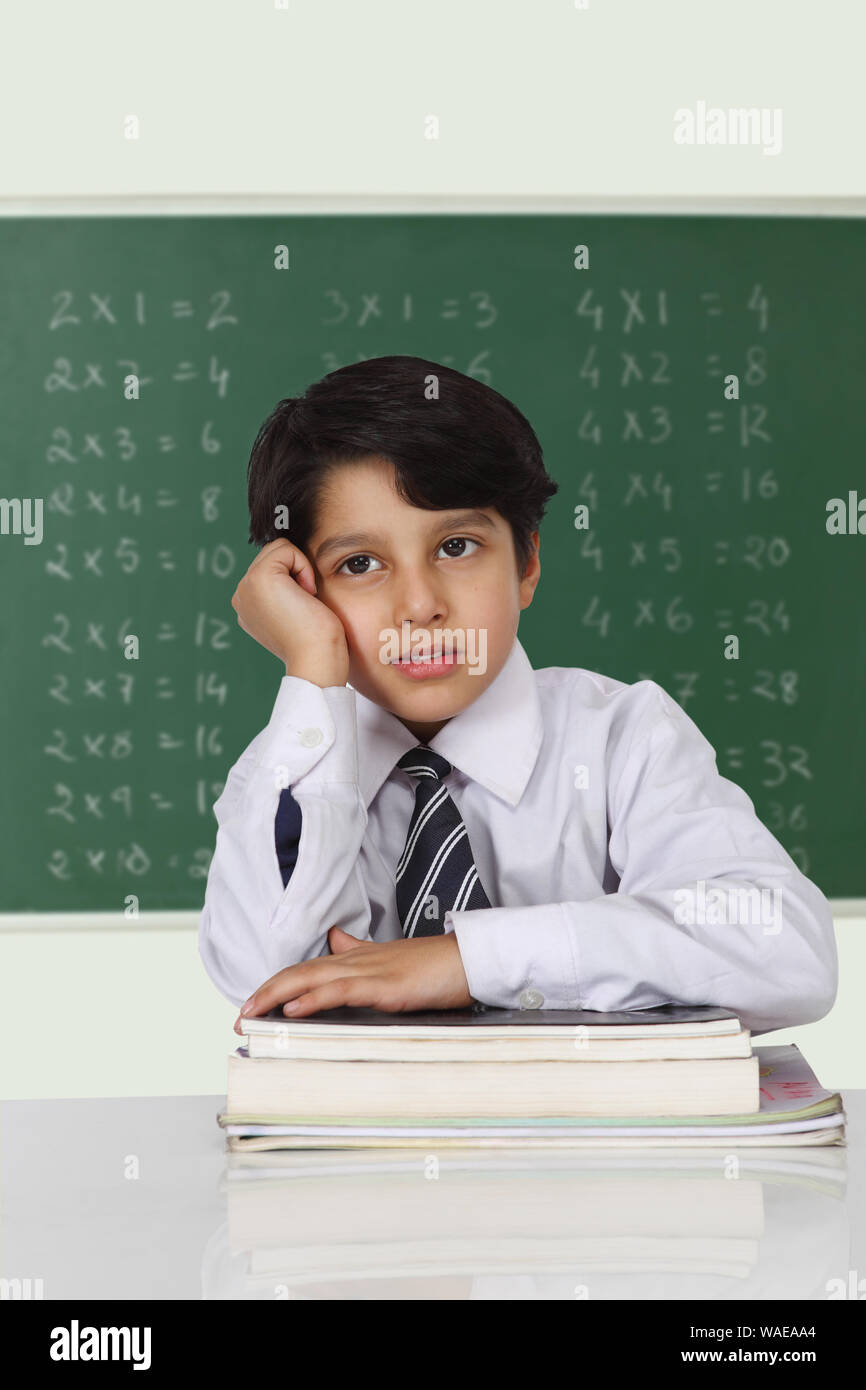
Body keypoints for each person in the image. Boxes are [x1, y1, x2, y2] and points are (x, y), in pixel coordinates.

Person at [197, 355, 837, 1038]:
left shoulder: (623, 739)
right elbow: (262, 978)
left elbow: (787, 948)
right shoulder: (288, 771)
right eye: (359, 564)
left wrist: (470, 962)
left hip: (601, 1143)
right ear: (303, 590)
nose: (419, 606)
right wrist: (312, 665)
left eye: (457, 546)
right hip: (368, 1141)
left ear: (527, 564)